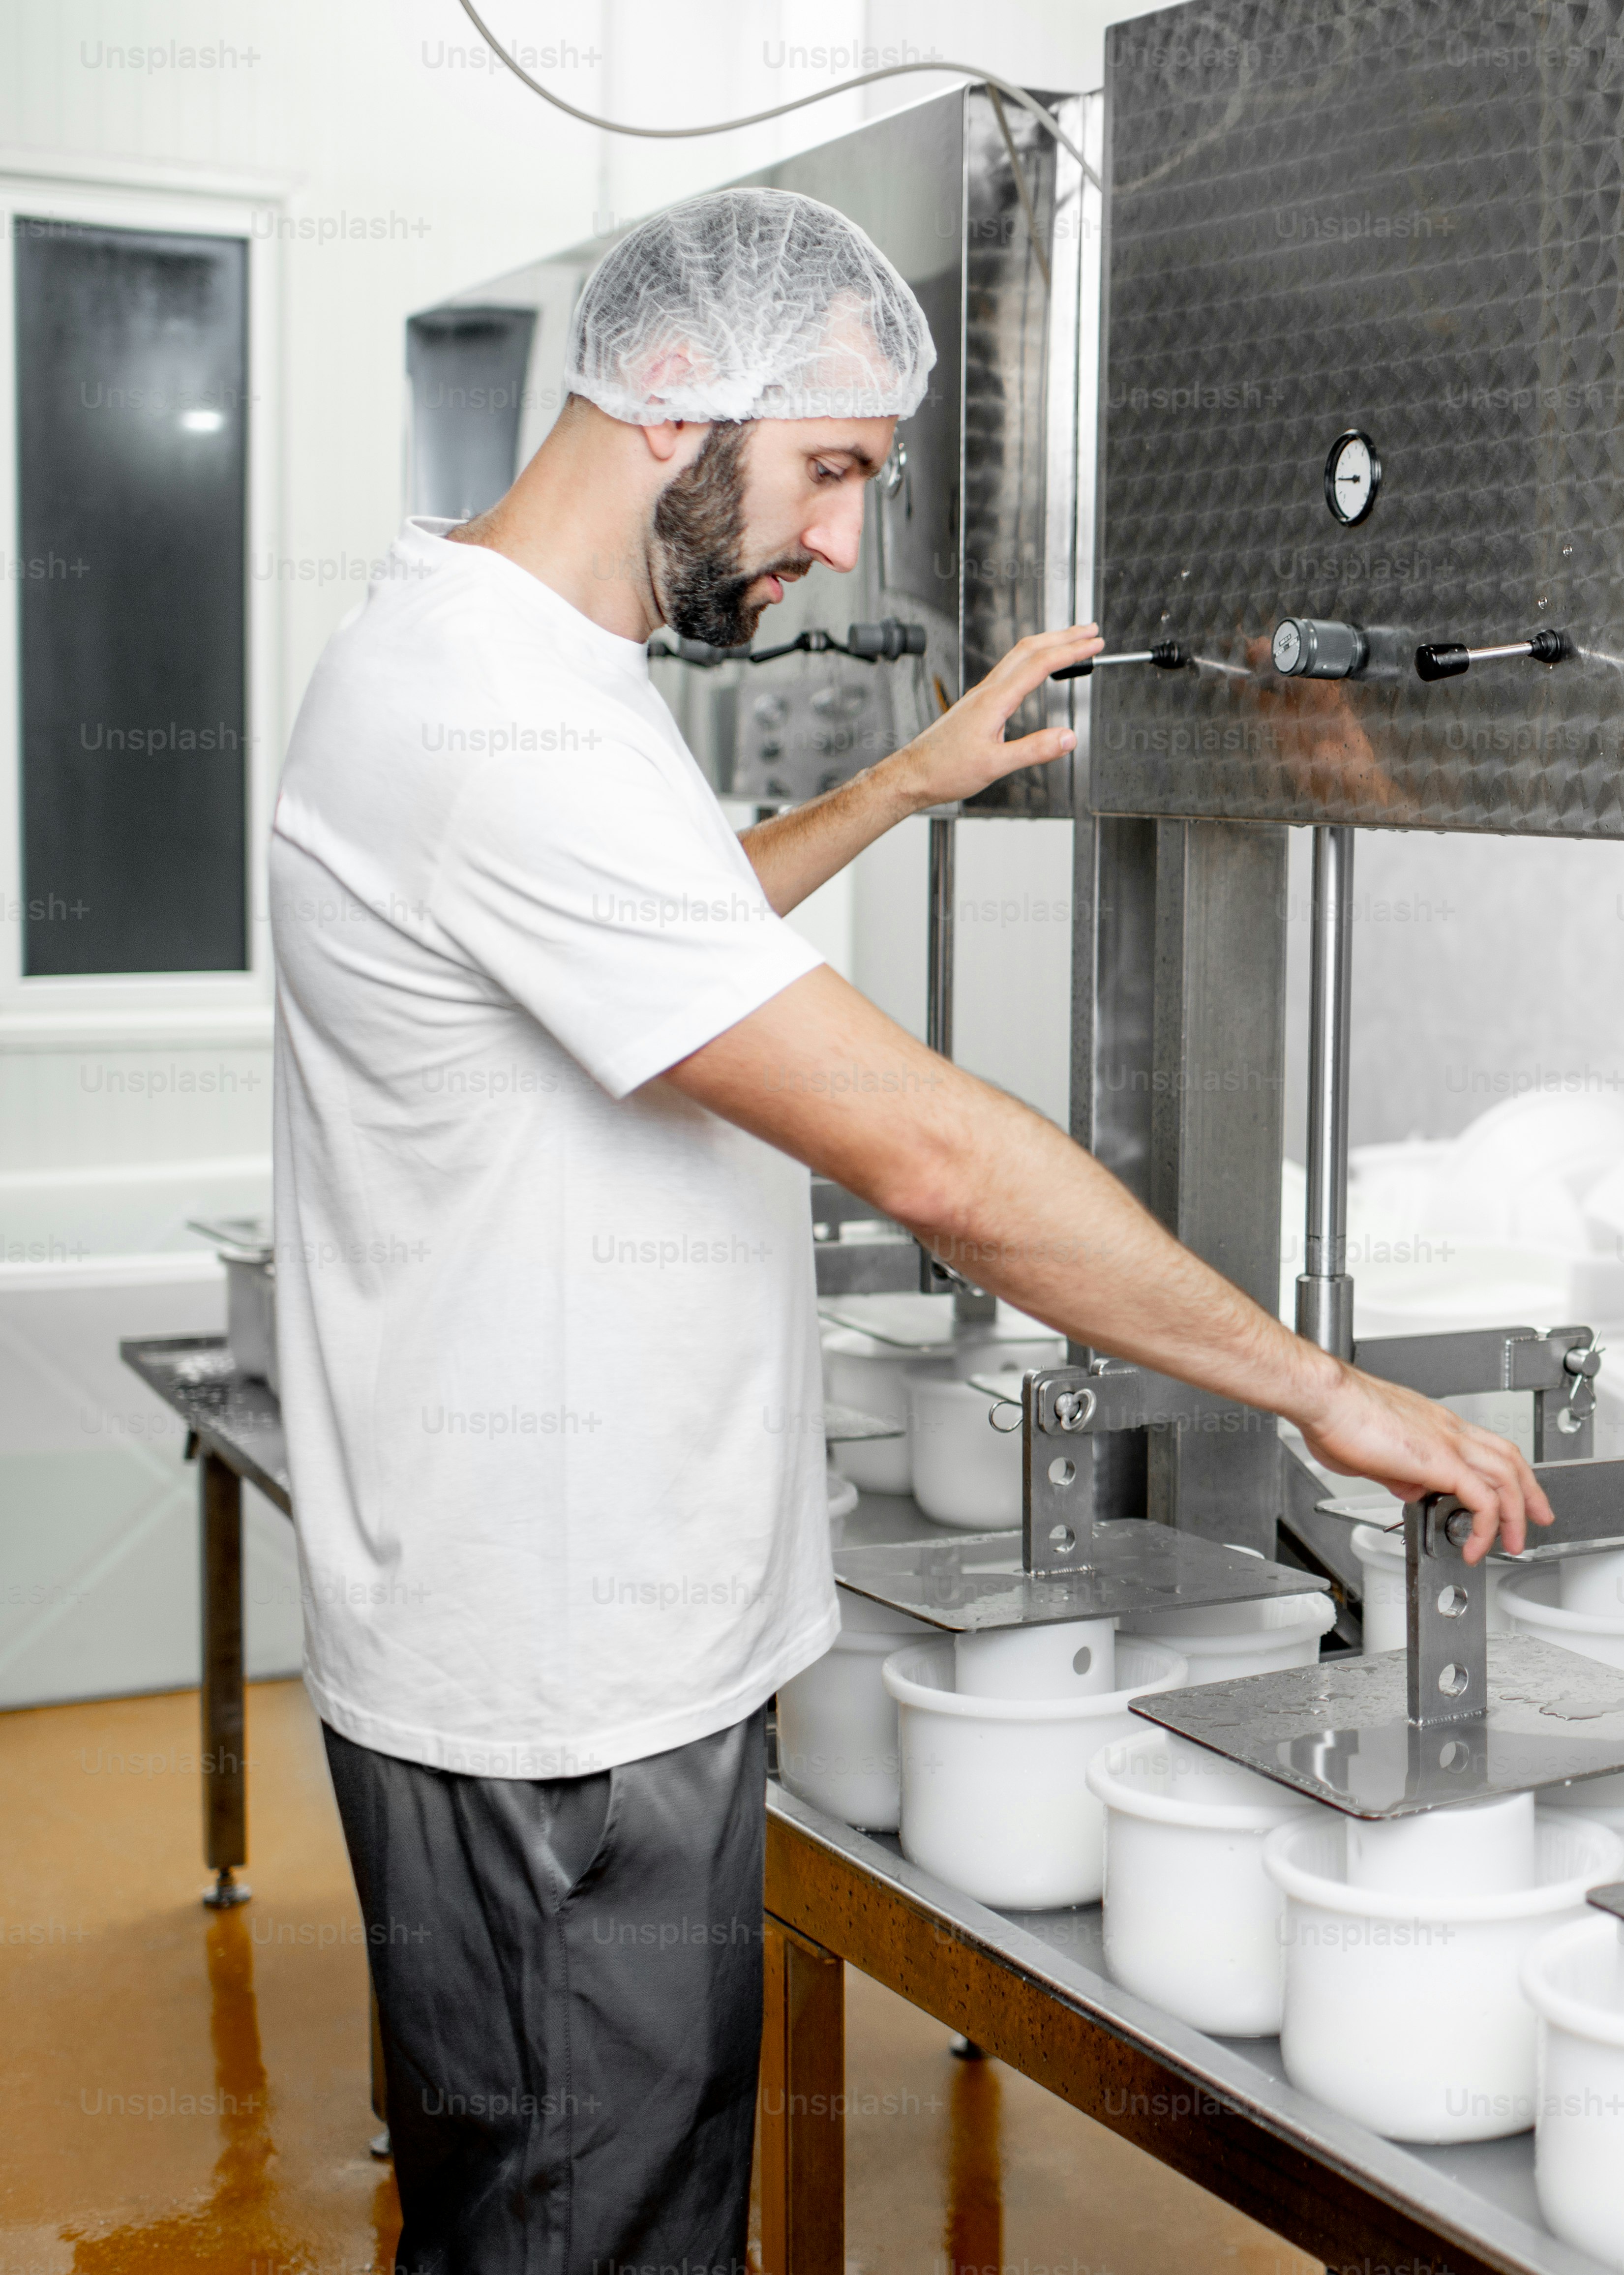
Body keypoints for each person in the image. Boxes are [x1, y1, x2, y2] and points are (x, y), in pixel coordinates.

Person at [268, 186, 1550, 2275]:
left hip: (562, 1637)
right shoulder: (494, 718)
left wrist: (896, 786)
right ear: (671, 393)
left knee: (561, 2210)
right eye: (833, 468)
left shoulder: (506, 663)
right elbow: (939, 1164)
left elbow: (657, 934)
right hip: (563, 1682)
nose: (848, 541)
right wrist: (1319, 1388)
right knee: (599, 2235)